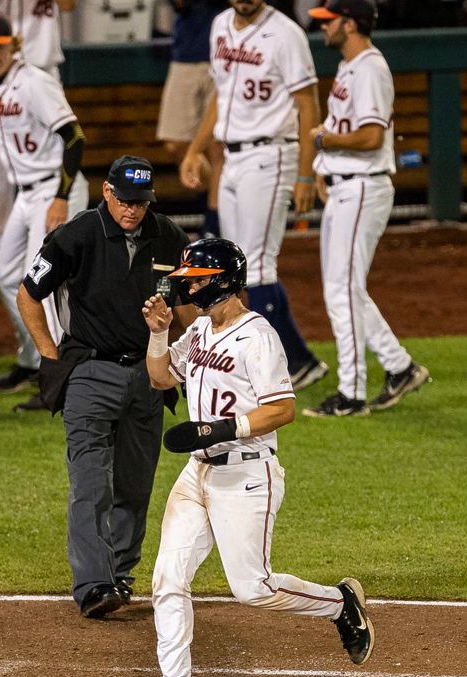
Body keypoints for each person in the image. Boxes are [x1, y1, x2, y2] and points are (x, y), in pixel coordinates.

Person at [120, 237, 373, 677]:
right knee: (168, 578)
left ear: (219, 282)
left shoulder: (258, 336)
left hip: (247, 475)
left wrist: (226, 427)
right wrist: (157, 333)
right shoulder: (197, 332)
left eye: (193, 281)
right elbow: (160, 377)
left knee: (253, 588)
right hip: (197, 474)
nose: (186, 289)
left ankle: (340, 604)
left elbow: (283, 408)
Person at [18, 155, 188, 618]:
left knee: (134, 483)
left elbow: (190, 308)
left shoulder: (169, 237)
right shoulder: (76, 236)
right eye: (126, 200)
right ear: (107, 193)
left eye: (142, 201)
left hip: (149, 377)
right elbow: (29, 294)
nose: (133, 209)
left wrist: (187, 356)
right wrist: (50, 355)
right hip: (90, 371)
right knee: (91, 484)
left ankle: (120, 576)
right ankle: (93, 585)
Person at [180, 0, 327, 391]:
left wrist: (305, 174)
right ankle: (298, 359)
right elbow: (220, 97)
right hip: (233, 156)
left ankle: (280, 364)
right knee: (243, 263)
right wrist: (196, 147)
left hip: (273, 153)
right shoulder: (220, 25)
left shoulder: (286, 34)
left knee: (258, 266)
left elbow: (308, 104)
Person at [303, 0, 428, 417]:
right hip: (346, 188)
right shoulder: (349, 66)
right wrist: (323, 165)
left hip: (362, 189)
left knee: (342, 290)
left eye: (329, 21)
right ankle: (400, 367)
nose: (322, 28)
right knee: (344, 288)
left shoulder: (371, 68)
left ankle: (351, 393)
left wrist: (324, 142)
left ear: (350, 24)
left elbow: (372, 137)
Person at [0, 12, 87, 412]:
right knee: (6, 274)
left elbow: (74, 137)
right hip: (27, 195)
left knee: (41, 284)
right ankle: (34, 359)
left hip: (54, 188)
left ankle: (60, 378)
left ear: (13, 44)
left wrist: (62, 198)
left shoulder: (33, 82)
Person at [156, 0, 223, 239]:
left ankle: (213, 222)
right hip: (186, 50)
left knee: (217, 146)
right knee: (175, 143)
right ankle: (214, 200)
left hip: (223, 53)